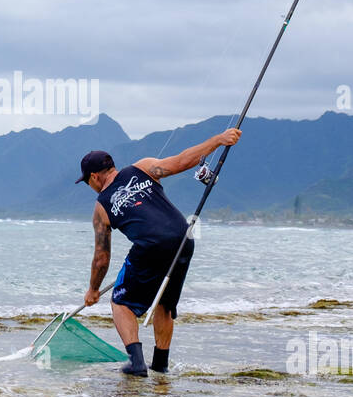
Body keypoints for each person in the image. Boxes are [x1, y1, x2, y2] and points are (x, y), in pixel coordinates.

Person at [76, 128, 242, 376]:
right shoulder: (143, 168)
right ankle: (161, 364)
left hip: (151, 246)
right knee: (163, 302)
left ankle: (136, 363)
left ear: (94, 177)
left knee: (120, 303)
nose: (89, 186)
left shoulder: (101, 207)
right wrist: (218, 140)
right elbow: (183, 161)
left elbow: (101, 258)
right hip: (184, 238)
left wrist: (93, 289)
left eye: (87, 181)